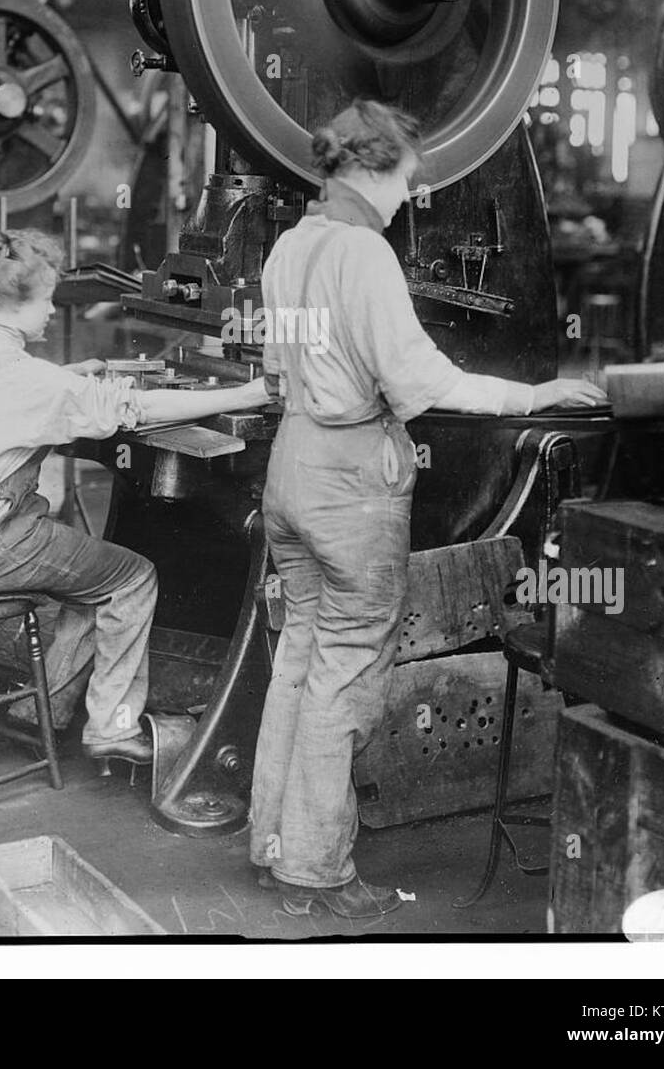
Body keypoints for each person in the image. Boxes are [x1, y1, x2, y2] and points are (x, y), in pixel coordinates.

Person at [249, 100, 607, 918]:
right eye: (407, 178)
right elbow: (421, 383)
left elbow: (278, 369)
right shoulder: (362, 254)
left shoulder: (288, 248)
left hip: (292, 465)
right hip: (347, 479)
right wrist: (534, 391)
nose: (411, 196)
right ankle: (317, 869)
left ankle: (275, 844)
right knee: (346, 676)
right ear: (373, 168)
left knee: (299, 659)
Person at [0, 228, 268, 764]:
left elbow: (13, 395)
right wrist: (248, 393)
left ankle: (47, 708)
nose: (50, 313)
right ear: (23, 304)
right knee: (131, 578)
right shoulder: (32, 380)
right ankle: (111, 727)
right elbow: (139, 411)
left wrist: (70, 378)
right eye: (48, 301)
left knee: (93, 573)